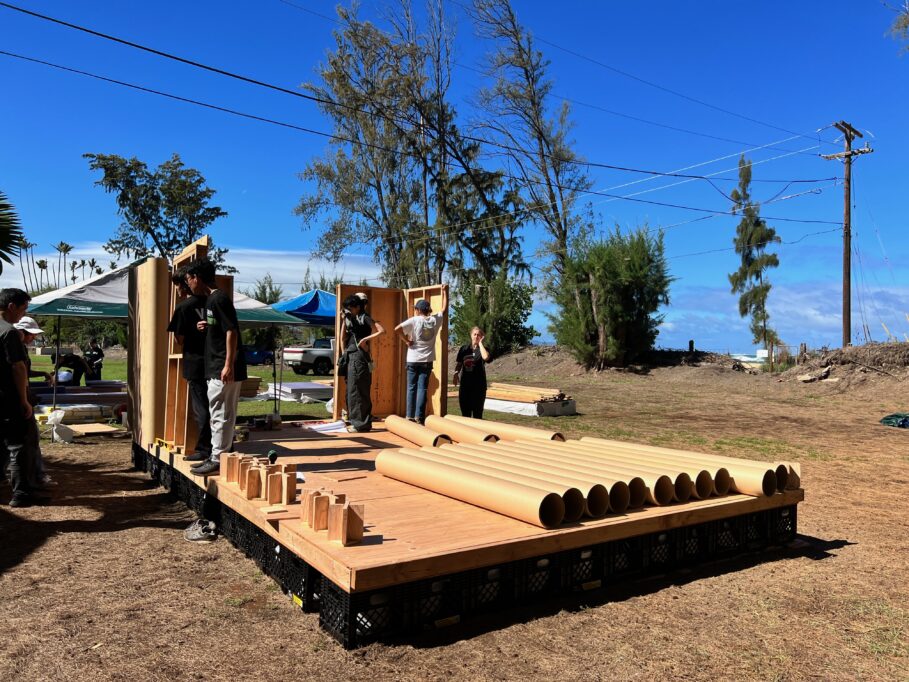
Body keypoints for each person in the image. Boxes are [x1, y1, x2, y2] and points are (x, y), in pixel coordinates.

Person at [184, 259, 247, 477]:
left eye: (188, 280)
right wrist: (207, 326)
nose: (188, 285)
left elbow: (232, 331)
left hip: (222, 366)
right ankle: (225, 453)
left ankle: (217, 458)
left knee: (219, 413)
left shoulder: (218, 298)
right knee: (224, 413)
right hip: (220, 364)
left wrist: (228, 364)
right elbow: (222, 328)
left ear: (197, 278)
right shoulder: (213, 300)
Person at [0, 288, 45, 508]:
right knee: (18, 446)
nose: (22, 314)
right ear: (11, 307)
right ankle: (21, 494)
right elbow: (18, 367)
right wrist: (24, 400)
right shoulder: (8, 332)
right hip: (8, 399)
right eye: (23, 309)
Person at [167, 267, 212, 463]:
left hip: (195, 362)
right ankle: (222, 444)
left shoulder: (183, 308)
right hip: (214, 361)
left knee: (201, 407)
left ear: (185, 284)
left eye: (177, 285)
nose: (176, 290)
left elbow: (179, 340)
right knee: (216, 407)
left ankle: (204, 448)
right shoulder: (213, 302)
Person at [395, 290, 448, 424]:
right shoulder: (435, 320)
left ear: (418, 310)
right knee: (422, 388)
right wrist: (444, 293)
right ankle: (419, 417)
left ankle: (409, 416)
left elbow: (397, 329)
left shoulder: (414, 320)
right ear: (428, 310)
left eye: (416, 309)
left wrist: (406, 342)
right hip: (427, 360)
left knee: (411, 387)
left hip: (412, 359)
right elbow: (444, 308)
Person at [14, 317, 53, 487]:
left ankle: (36, 474)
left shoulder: (21, 349)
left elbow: (26, 372)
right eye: (31, 335)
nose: (33, 338)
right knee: (30, 439)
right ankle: (37, 476)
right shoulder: (14, 348)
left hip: (22, 398)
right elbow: (18, 373)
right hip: (17, 401)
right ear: (21, 332)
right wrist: (24, 398)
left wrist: (43, 373)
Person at [340, 292, 385, 433]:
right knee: (352, 391)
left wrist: (365, 340)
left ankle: (361, 424)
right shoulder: (351, 318)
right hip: (351, 356)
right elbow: (342, 338)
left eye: (351, 307)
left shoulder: (364, 317)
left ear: (358, 306)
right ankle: (355, 420)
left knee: (359, 391)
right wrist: (344, 354)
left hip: (360, 357)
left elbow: (382, 330)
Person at [454, 326, 491, 419]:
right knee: (465, 414)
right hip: (465, 386)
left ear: (482, 336)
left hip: (479, 387)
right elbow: (459, 363)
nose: (476, 336)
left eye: (478, 335)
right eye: (474, 334)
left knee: (477, 414)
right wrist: (455, 373)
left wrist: (481, 344)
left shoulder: (484, 349)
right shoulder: (464, 349)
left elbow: (486, 357)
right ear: (471, 335)